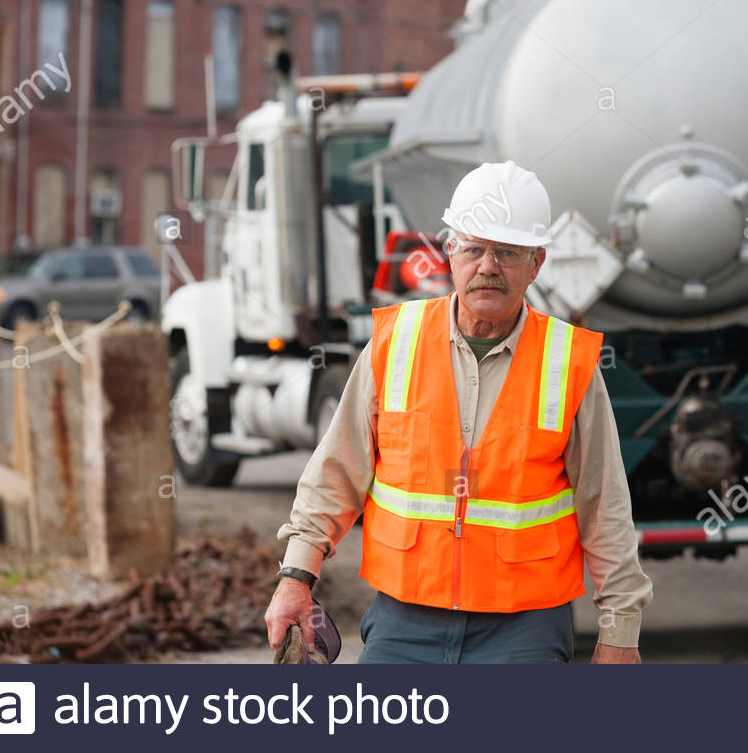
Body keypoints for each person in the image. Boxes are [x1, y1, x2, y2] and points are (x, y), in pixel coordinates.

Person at [265, 161, 653, 663]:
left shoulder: (568, 363)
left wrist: (620, 631)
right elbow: (335, 474)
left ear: (536, 263)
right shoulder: (394, 343)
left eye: (507, 252)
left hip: (524, 632)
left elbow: (605, 505)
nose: (487, 266)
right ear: (450, 252)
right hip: (404, 623)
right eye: (473, 248)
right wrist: (295, 577)